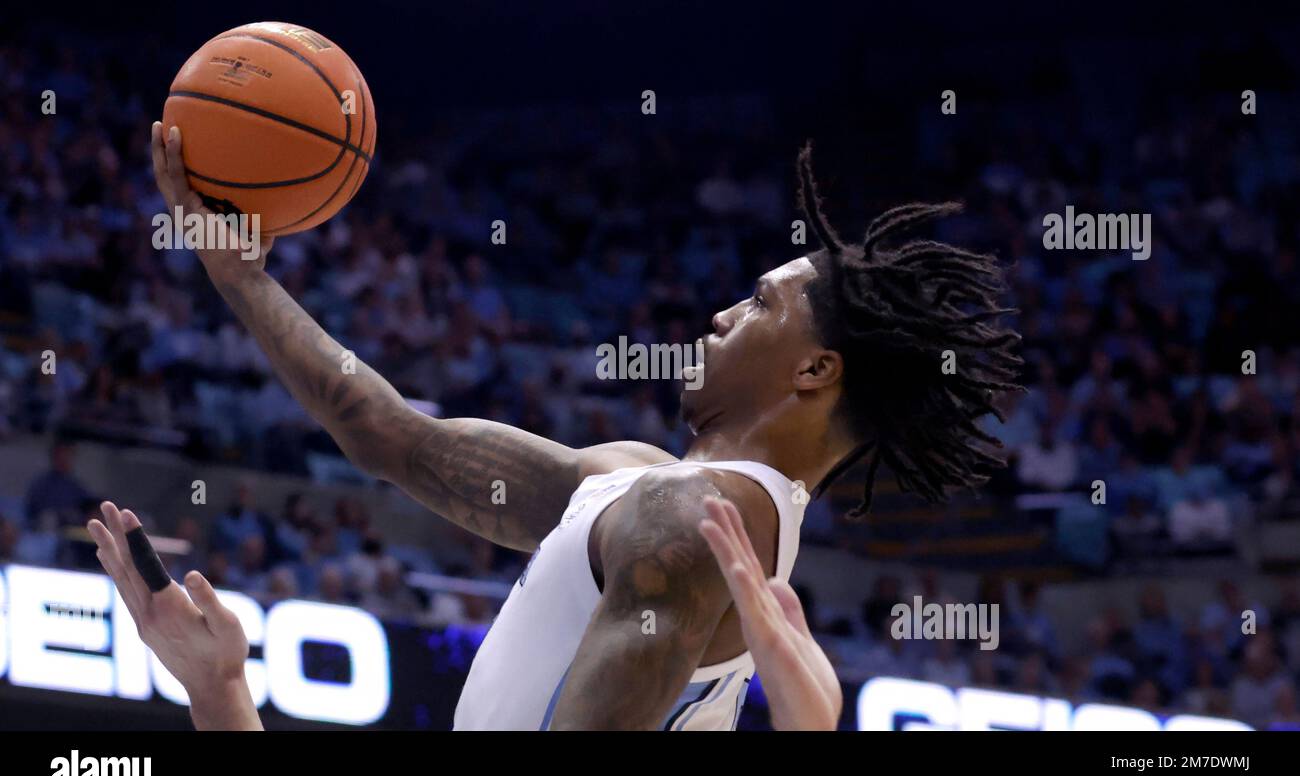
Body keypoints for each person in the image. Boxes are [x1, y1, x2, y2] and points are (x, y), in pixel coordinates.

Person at [100, 125, 1019, 730]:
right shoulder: (643, 484)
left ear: (817, 371)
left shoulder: (691, 526)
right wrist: (243, 279)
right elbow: (389, 436)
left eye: (762, 302)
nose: (724, 314)